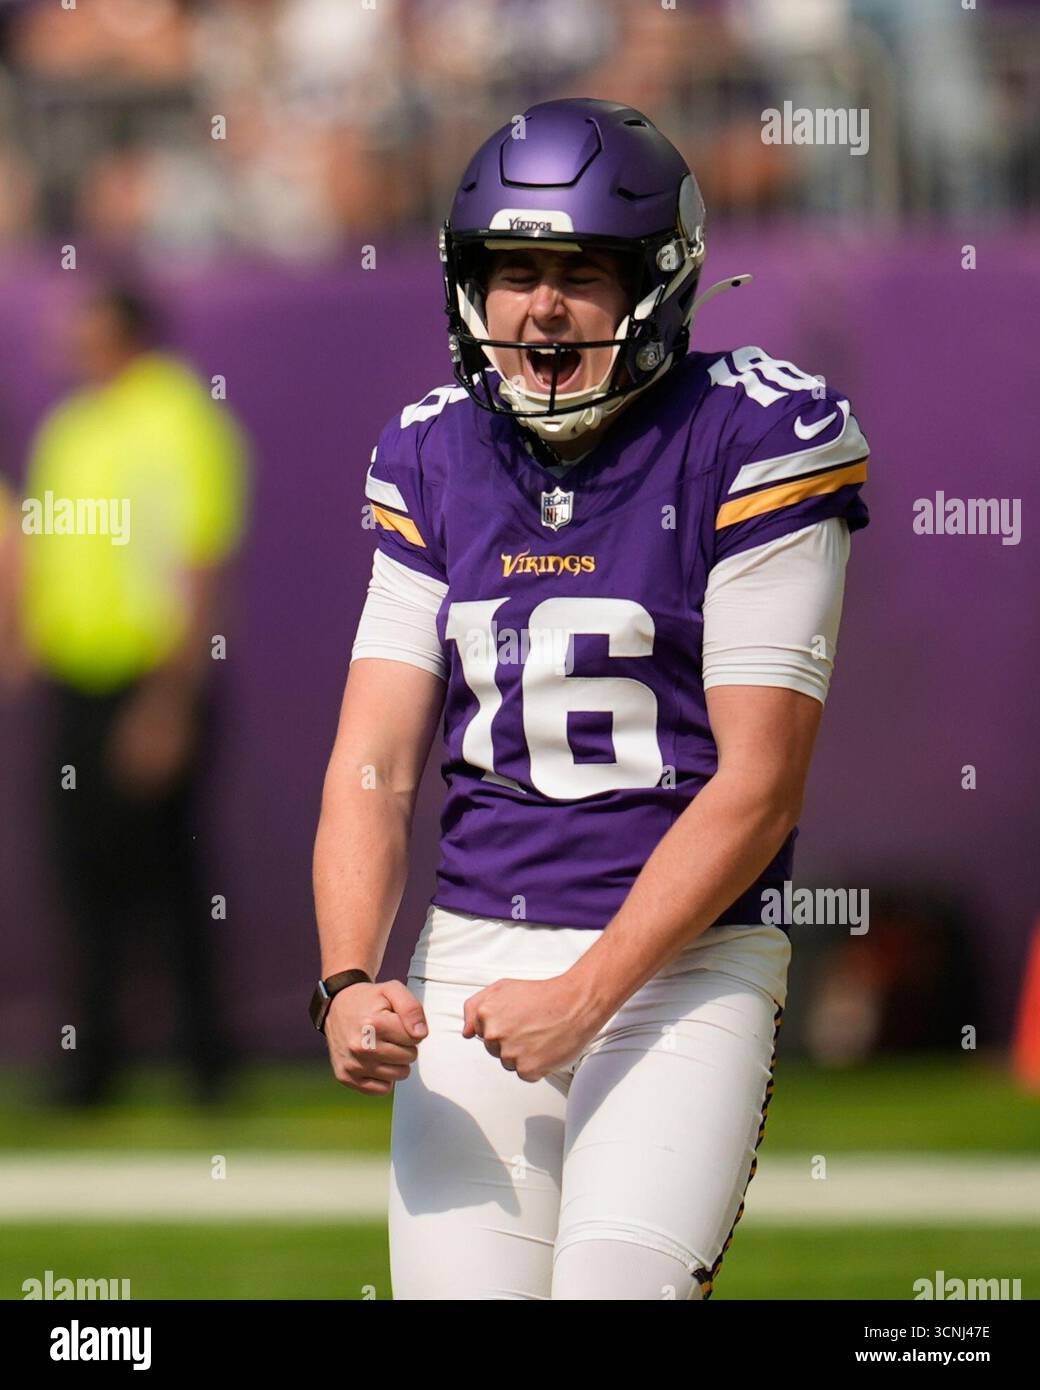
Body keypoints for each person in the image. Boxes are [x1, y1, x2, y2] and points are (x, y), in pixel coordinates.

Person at [312, 98, 870, 1300]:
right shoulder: (431, 449)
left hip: (678, 967)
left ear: (656, 284)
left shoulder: (752, 433)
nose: (540, 307)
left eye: (579, 271)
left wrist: (584, 991)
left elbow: (761, 783)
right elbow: (374, 761)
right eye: (512, 271)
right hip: (470, 960)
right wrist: (348, 978)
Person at [18, 285, 249, 1106]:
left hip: (148, 677)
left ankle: (206, 1066)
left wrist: (170, 698)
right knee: (84, 878)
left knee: (173, 876)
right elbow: (47, 551)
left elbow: (197, 562)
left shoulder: (179, 420)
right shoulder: (71, 426)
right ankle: (92, 1068)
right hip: (75, 679)